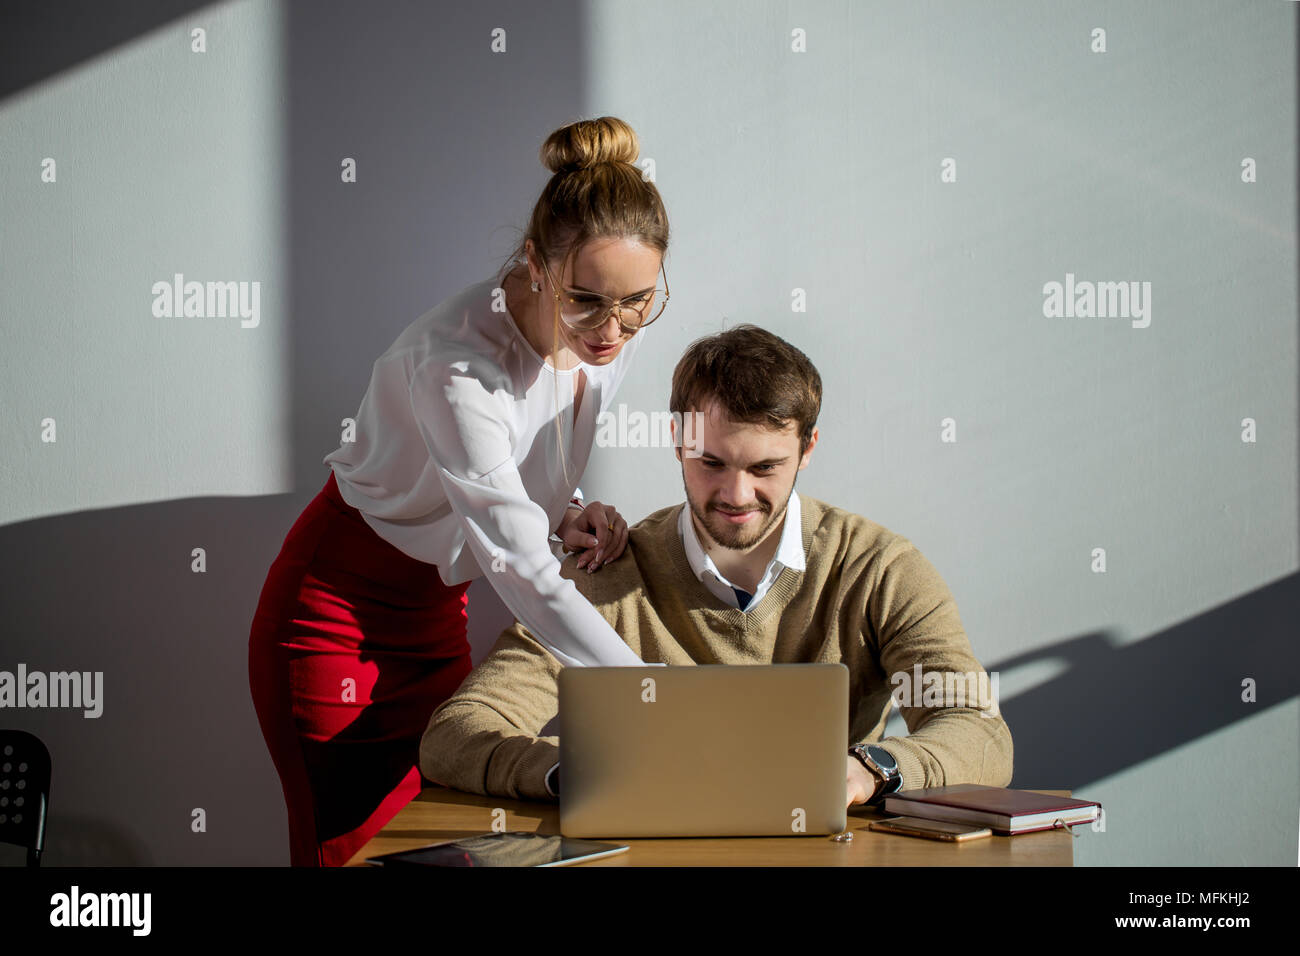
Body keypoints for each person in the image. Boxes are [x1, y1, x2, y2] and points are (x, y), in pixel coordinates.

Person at [248, 116, 671, 866]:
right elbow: (516, 567)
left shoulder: (605, 331)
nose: (613, 330)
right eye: (588, 301)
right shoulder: (457, 365)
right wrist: (655, 695)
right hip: (337, 621)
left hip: (438, 618)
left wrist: (561, 514)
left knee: (450, 847)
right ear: (537, 264)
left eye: (639, 300)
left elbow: (500, 490)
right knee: (354, 855)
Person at [419, 325, 1013, 807]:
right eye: (711, 461)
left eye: (764, 468)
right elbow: (456, 734)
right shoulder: (609, 575)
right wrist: (569, 774)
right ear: (676, 438)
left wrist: (868, 769)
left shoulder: (881, 570)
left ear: (807, 449)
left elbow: (980, 732)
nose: (735, 494)